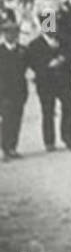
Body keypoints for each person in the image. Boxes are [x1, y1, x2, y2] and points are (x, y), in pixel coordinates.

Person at [25, 13, 71, 151]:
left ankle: (68, 138)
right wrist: (48, 65)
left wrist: (63, 59)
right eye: (47, 25)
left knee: (69, 108)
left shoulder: (64, 40)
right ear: (43, 27)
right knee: (48, 111)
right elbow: (32, 63)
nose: (51, 29)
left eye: (53, 25)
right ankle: (49, 141)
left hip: (64, 80)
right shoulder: (35, 44)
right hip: (46, 82)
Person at [0, 11, 27, 159]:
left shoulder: (23, 50)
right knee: (6, 119)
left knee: (17, 118)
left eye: (14, 32)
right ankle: (5, 148)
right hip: (3, 90)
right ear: (4, 35)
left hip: (19, 89)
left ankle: (13, 146)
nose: (12, 35)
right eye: (8, 33)